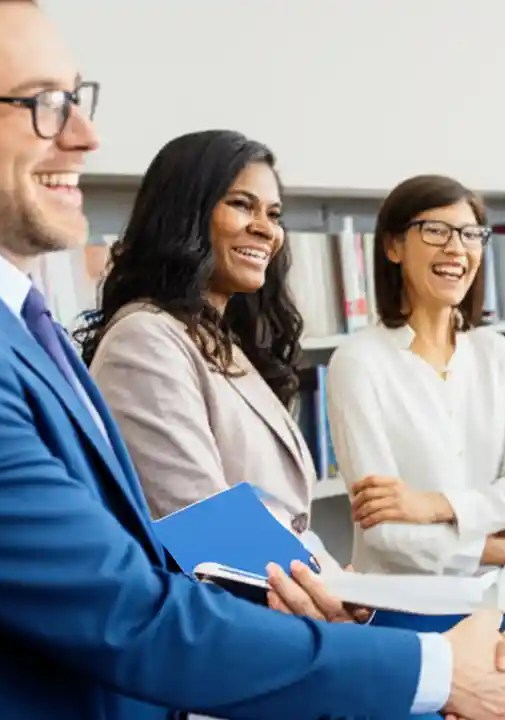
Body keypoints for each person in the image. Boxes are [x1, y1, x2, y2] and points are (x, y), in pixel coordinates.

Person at [0, 2, 505, 718]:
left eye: (76, 96)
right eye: (40, 104)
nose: (87, 137)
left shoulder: (3, 317)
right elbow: (124, 611)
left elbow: (138, 549)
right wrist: (430, 669)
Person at [79, 129, 335, 565]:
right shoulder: (143, 341)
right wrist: (325, 594)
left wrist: (338, 582)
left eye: (273, 214)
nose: (265, 229)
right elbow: (206, 528)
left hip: (279, 602)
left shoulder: (221, 338)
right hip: (236, 616)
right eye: (241, 204)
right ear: (185, 213)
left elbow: (284, 521)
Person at [323, 174, 505, 577]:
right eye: (435, 231)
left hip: (493, 604)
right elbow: (384, 528)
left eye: (470, 234)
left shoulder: (496, 354)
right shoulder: (359, 361)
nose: (456, 248)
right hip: (399, 609)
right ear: (393, 246)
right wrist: (490, 548)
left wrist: (434, 505)